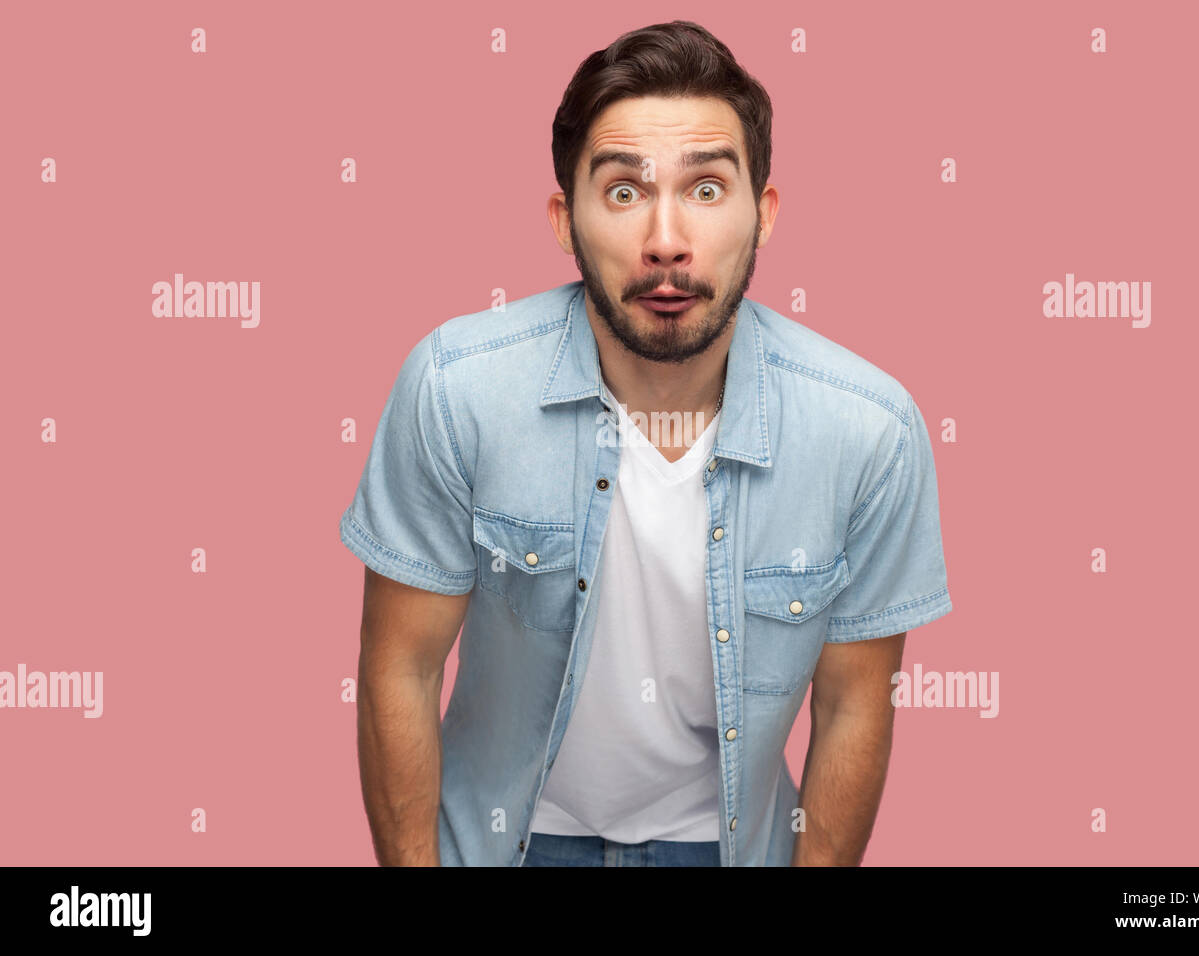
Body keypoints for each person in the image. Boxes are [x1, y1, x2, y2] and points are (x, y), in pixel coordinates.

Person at [339, 19, 953, 867]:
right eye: (625, 192)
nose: (666, 241)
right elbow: (398, 669)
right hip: (503, 843)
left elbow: (855, 706)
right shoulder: (457, 389)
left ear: (764, 214)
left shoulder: (867, 430)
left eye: (707, 189)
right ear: (566, 220)